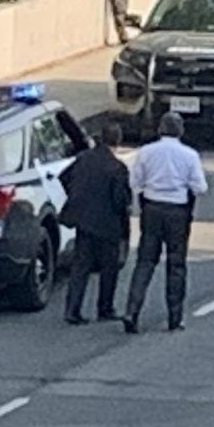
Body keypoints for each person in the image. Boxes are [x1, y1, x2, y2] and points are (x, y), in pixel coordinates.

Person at [122, 110, 208, 333]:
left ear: (160, 129)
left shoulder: (146, 152)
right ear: (181, 131)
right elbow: (200, 187)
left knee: (145, 262)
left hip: (151, 209)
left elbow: (135, 182)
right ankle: (175, 317)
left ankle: (132, 311)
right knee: (176, 265)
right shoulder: (189, 156)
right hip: (177, 212)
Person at [58, 132, 134, 326]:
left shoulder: (83, 159)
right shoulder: (117, 168)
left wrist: (77, 197)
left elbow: (64, 177)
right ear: (117, 142)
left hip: (83, 220)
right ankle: (105, 308)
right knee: (109, 267)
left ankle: (72, 310)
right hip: (108, 223)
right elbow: (120, 200)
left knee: (80, 266)